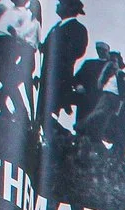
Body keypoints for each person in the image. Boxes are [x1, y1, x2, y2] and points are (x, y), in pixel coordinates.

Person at [40, 0, 88, 133]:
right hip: (47, 76)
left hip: (61, 77)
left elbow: (78, 50)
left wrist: (59, 53)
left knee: (48, 114)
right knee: (42, 115)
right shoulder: (57, 27)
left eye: (61, 3)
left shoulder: (78, 29)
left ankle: (63, 137)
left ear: (69, 7)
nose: (57, 5)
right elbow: (45, 46)